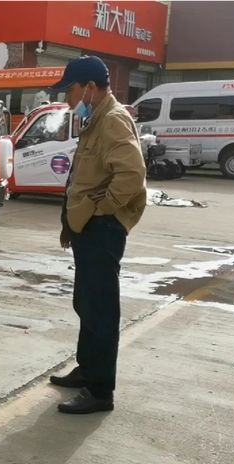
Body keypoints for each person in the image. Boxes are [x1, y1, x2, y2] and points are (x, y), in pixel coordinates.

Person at [47, 56, 147, 414]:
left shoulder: (112, 120)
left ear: (90, 87)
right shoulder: (97, 118)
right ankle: (88, 370)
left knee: (101, 310)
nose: (68, 99)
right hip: (88, 227)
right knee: (86, 303)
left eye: (70, 90)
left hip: (102, 228)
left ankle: (100, 391)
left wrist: (101, 209)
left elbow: (132, 175)